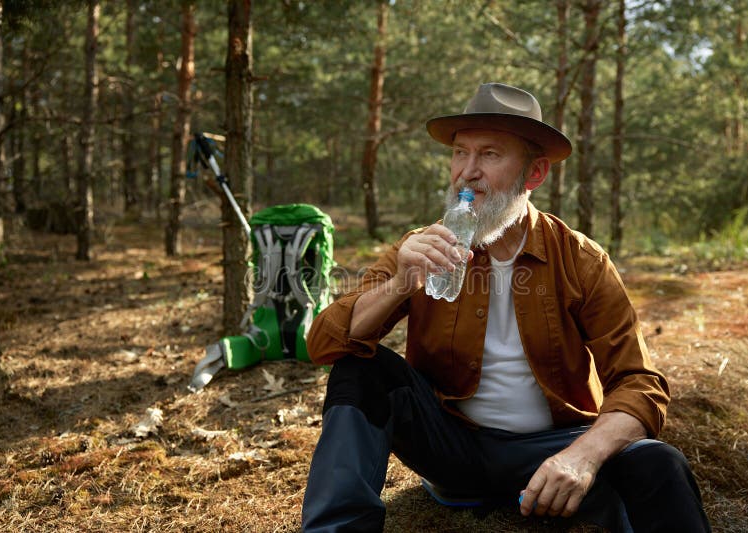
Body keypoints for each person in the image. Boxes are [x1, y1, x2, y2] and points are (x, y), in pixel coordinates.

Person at [301, 83, 711, 532]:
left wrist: (582, 458)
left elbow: (639, 383)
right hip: (451, 445)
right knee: (361, 370)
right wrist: (401, 282)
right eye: (460, 154)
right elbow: (323, 344)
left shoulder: (581, 260)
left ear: (534, 174)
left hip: (555, 449)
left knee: (659, 465)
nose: (467, 172)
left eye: (490, 155)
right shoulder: (421, 246)